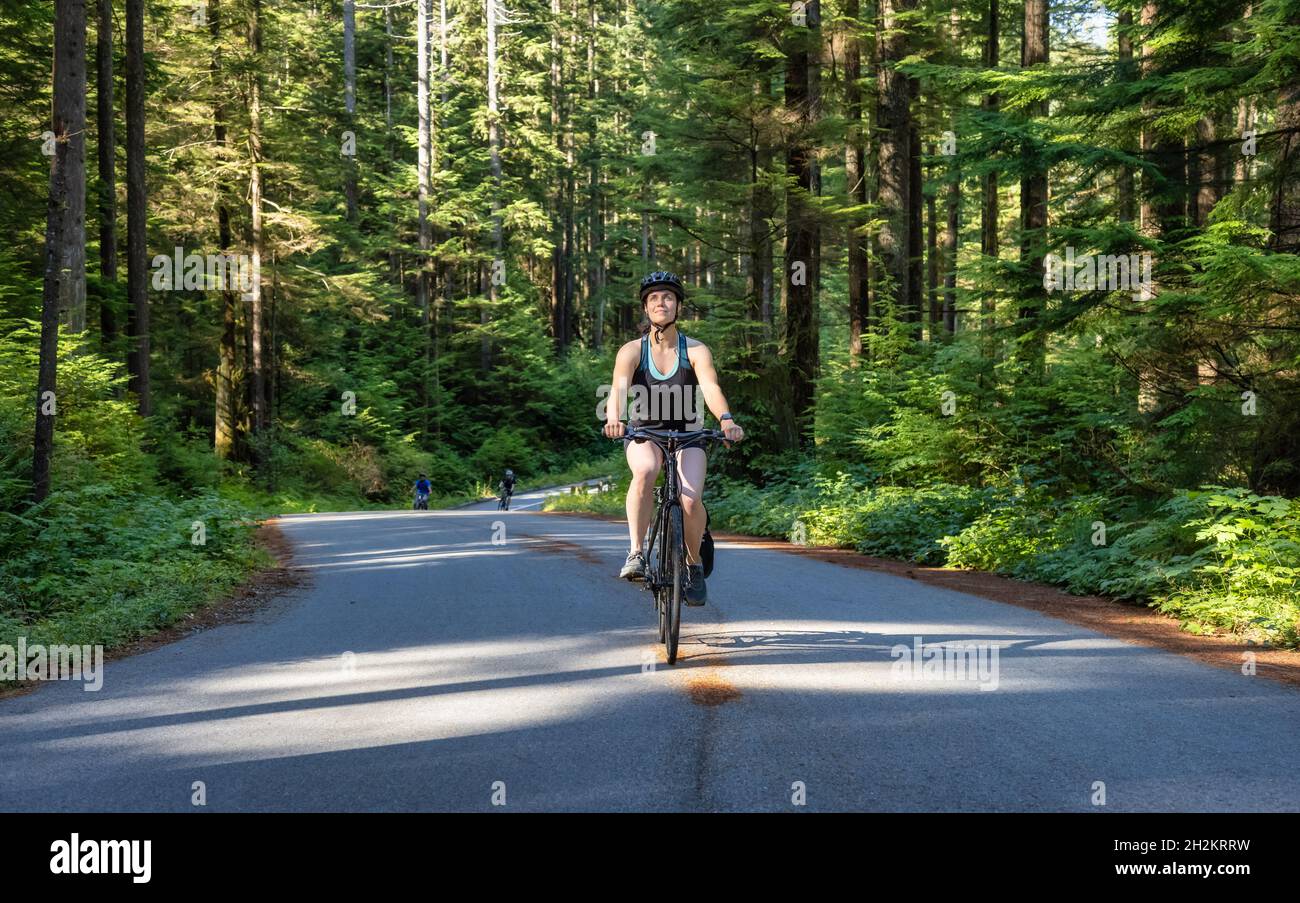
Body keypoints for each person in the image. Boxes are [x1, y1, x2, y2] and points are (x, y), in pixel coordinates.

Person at [602, 271, 744, 605]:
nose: (661, 302)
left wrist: (726, 420)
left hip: (688, 434)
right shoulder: (631, 351)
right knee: (646, 471)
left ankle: (693, 563)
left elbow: (710, 388)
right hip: (644, 432)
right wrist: (613, 418)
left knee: (691, 499)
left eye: (668, 297)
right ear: (646, 308)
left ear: (678, 305)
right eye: (654, 298)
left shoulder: (695, 350)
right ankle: (637, 552)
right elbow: (618, 390)